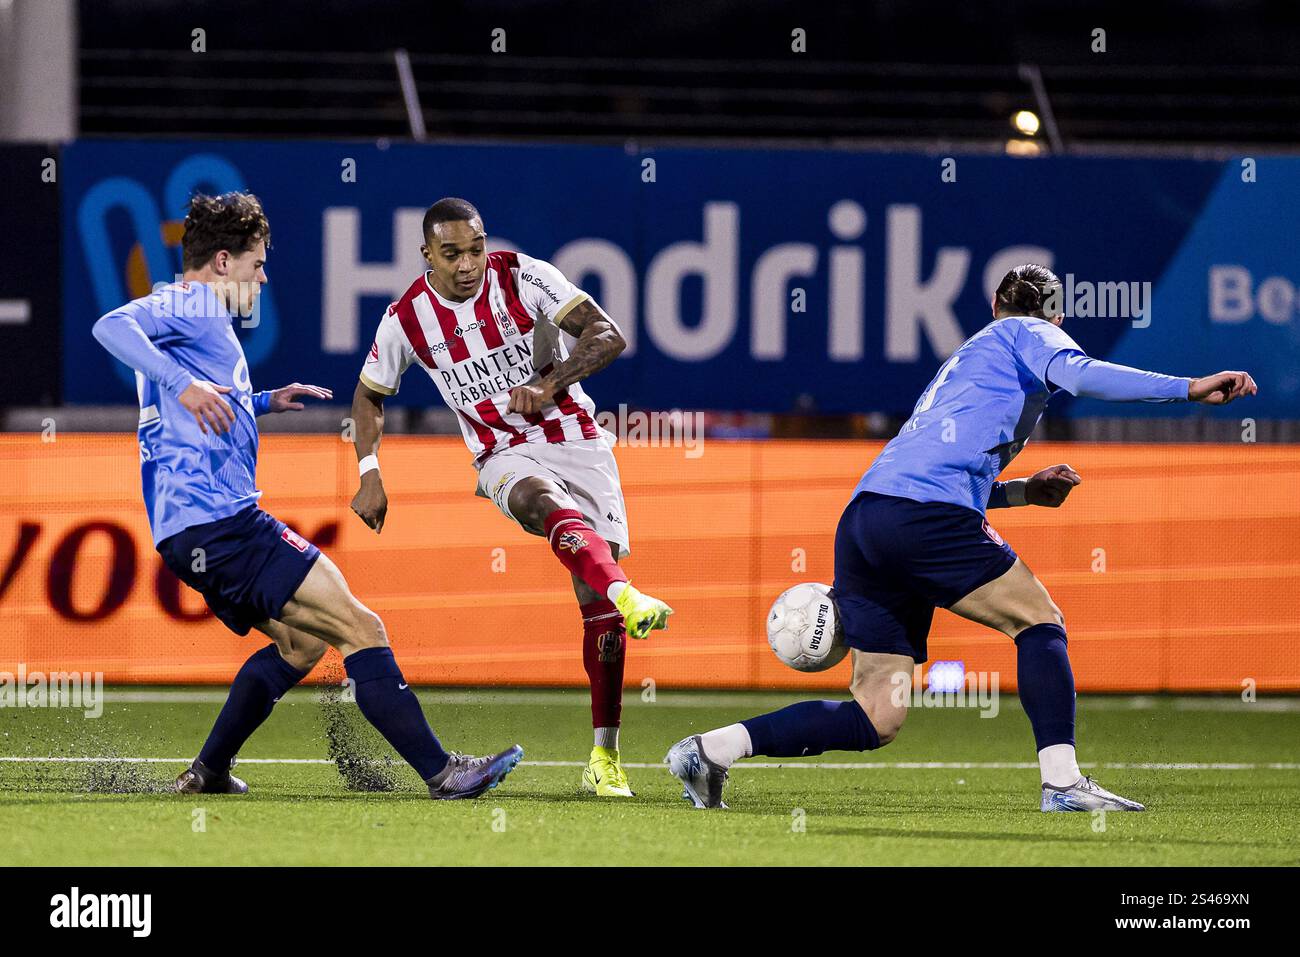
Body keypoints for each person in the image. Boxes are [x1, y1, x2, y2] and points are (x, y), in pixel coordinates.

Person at [668, 263, 1257, 811]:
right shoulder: (1028, 334)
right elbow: (1081, 375)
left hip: (868, 519)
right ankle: (1061, 782)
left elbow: (941, 473)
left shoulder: (970, 360)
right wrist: (1190, 387)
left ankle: (711, 751)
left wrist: (1023, 491)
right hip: (922, 518)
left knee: (877, 717)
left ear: (993, 302)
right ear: (1055, 319)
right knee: (1038, 621)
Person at [92, 191, 522, 799]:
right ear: (222, 262)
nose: (263, 276)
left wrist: (262, 401)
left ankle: (208, 771)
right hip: (222, 524)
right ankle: (443, 773)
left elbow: (195, 403)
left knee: (301, 643)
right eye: (257, 263)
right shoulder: (192, 305)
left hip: (190, 531)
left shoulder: (190, 318)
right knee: (361, 627)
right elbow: (109, 325)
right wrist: (185, 385)